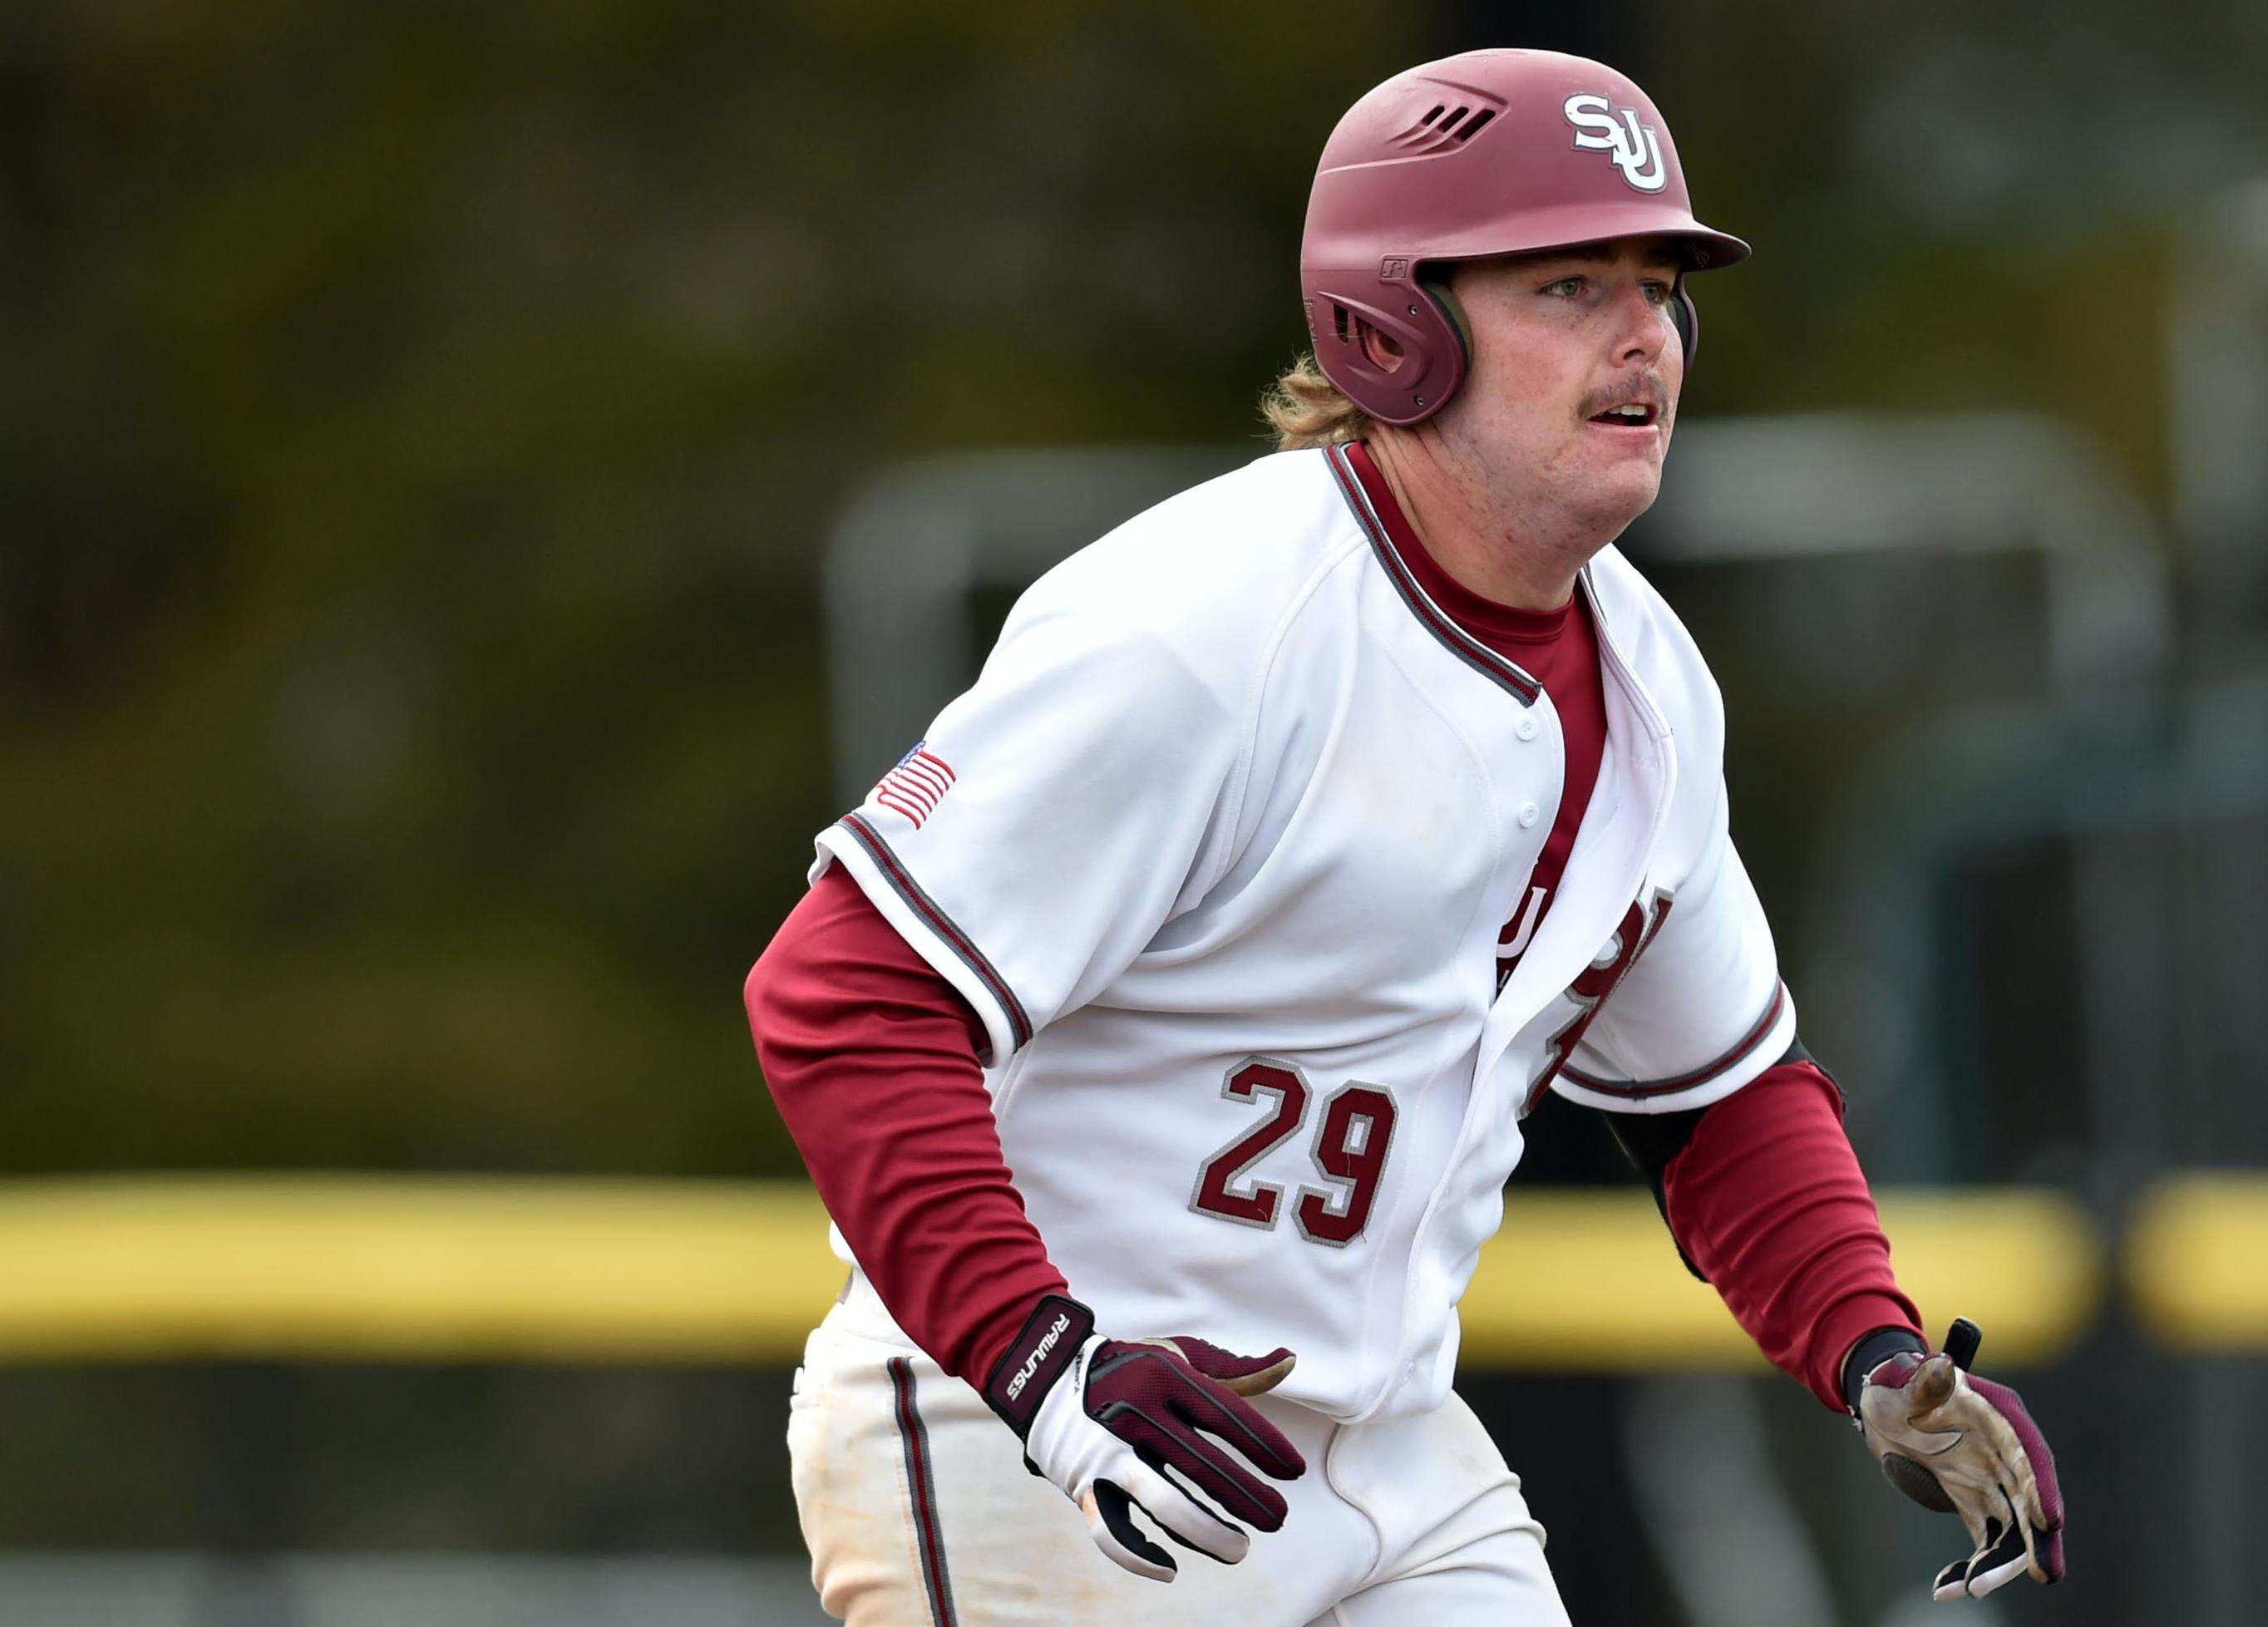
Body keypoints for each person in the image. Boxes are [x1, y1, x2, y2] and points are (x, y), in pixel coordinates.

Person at [745, 47, 2065, 1626]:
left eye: (1659, 284)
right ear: (1392, 325)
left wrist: (1869, 1344)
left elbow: (1719, 1096)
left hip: (1387, 1442)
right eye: (1568, 283)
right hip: (1043, 1429)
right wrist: (1040, 1356)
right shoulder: (1205, 625)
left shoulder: (1649, 686)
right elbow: (840, 993)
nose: (1643, 329)